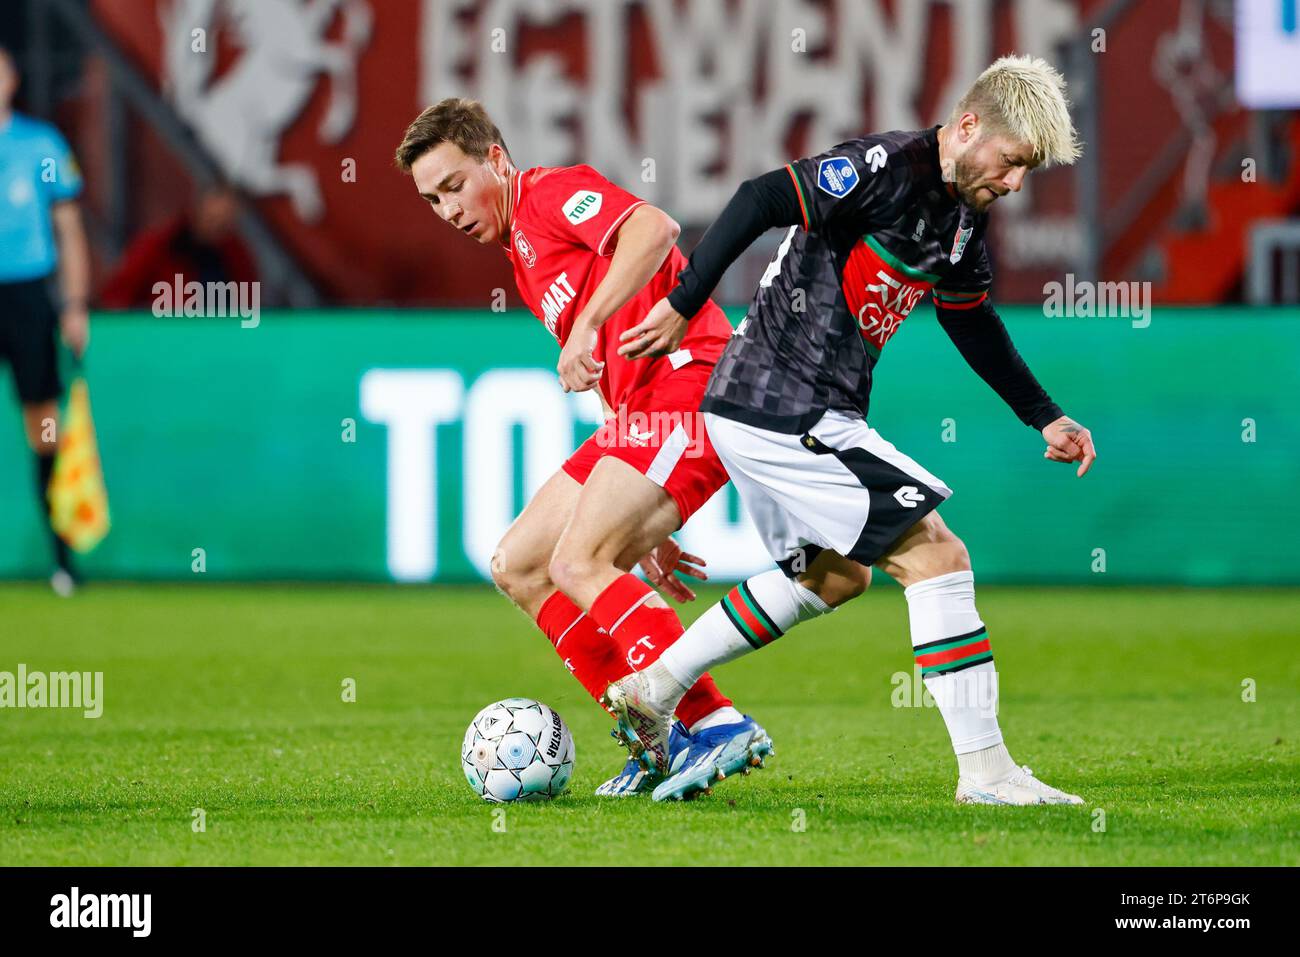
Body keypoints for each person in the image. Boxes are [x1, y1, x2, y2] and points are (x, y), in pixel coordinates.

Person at [605, 55, 1099, 804]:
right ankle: (989, 774)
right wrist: (683, 298)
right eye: (1013, 161)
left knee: (833, 575)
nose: (1016, 182)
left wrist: (1043, 413)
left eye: (1028, 170)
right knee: (937, 553)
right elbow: (760, 195)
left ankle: (654, 687)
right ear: (968, 127)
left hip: (777, 411)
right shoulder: (887, 167)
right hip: (782, 403)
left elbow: (970, 321)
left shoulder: (964, 217)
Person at [393, 99, 809, 794]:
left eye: (455, 185)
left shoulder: (549, 194)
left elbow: (655, 227)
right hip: (637, 413)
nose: (448, 209)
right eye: (433, 198)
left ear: (495, 159)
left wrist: (586, 322)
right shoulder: (521, 253)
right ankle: (664, 743)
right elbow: (610, 372)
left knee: (576, 559)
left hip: (692, 385)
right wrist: (635, 522)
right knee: (520, 564)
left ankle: (713, 724)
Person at [0, 44, 91, 597]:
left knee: (43, 425)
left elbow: (70, 228)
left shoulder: (42, 145)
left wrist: (75, 304)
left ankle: (62, 561)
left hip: (29, 295)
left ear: (11, 77)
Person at [100, 182, 257, 309]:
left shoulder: (236, 257)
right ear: (198, 209)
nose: (216, 228)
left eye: (225, 223)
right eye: (213, 219)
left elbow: (248, 305)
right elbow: (118, 294)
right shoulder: (159, 245)